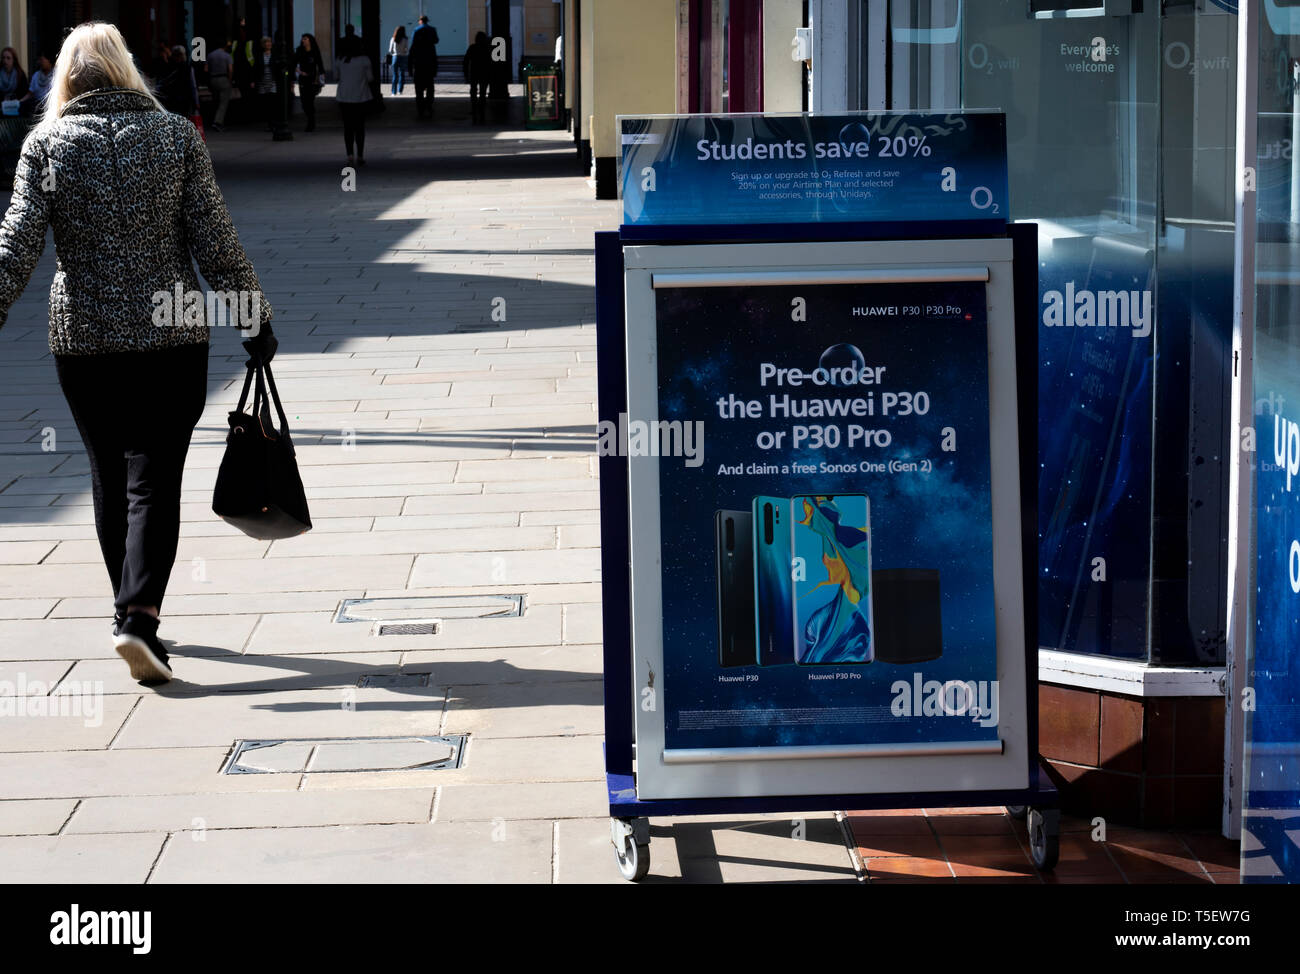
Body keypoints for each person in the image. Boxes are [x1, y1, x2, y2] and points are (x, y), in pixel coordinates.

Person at [0, 22, 275, 684]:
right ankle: (139, 617)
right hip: (171, 332)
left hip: (85, 336)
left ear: (66, 77)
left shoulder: (46, 145)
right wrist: (251, 316)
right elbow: (214, 237)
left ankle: (128, 611)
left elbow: (16, 245)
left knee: (105, 471)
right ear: (127, 70)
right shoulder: (176, 136)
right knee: (154, 474)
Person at [334, 33, 372, 166]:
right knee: (360, 127)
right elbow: (370, 78)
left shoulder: (340, 60)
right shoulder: (364, 60)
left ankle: (349, 154)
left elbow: (336, 77)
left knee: (348, 127)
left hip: (344, 97)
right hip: (360, 97)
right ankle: (360, 155)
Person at [408, 14, 439, 120]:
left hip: (419, 65)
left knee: (419, 89)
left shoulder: (416, 31)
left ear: (420, 21)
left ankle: (420, 107)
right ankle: (429, 105)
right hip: (429, 63)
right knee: (430, 87)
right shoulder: (432, 31)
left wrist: (409, 68)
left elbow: (411, 53)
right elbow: (436, 41)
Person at [293, 34, 324, 132]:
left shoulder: (315, 50)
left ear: (310, 40)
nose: (303, 40)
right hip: (303, 79)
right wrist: (299, 72)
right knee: (304, 102)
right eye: (302, 39)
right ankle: (310, 118)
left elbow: (320, 63)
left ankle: (311, 122)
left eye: (305, 39)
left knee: (310, 101)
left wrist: (322, 75)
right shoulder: (299, 50)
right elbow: (294, 63)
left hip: (312, 79)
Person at [158, 45, 197, 118]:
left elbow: (161, 83)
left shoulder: (168, 67)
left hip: (171, 100)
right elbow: (193, 86)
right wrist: (196, 102)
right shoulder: (187, 68)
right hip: (183, 100)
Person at [463, 32, 490, 125]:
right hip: (484, 73)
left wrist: (466, 73)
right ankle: (481, 111)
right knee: (483, 93)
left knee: (473, 92)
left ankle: (474, 109)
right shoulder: (487, 48)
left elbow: (466, 60)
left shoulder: (472, 47)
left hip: (474, 73)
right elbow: (491, 62)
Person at [206, 39, 233, 130]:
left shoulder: (210, 55)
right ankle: (217, 122)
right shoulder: (227, 56)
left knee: (215, 100)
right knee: (223, 103)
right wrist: (230, 80)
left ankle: (212, 119)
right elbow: (230, 69)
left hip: (213, 79)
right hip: (223, 78)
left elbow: (206, 69)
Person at [254, 36, 280, 130]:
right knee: (266, 104)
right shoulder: (259, 55)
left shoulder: (275, 55)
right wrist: (254, 80)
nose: (268, 44)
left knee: (273, 103)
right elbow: (256, 68)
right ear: (263, 45)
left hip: (273, 81)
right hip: (263, 81)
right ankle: (270, 123)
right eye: (266, 42)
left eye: (269, 42)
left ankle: (274, 123)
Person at [0, 47, 30, 115]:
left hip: (17, 106)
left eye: (8, 58)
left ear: (14, 60)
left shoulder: (20, 74)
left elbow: (24, 92)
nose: (5, 61)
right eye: (3, 58)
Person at [389, 25, 408, 96]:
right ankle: (400, 90)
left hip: (395, 57)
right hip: (403, 57)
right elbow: (407, 49)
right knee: (402, 74)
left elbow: (390, 50)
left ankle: (393, 92)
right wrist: (403, 52)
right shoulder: (405, 39)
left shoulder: (393, 39)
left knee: (395, 75)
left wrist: (394, 52)